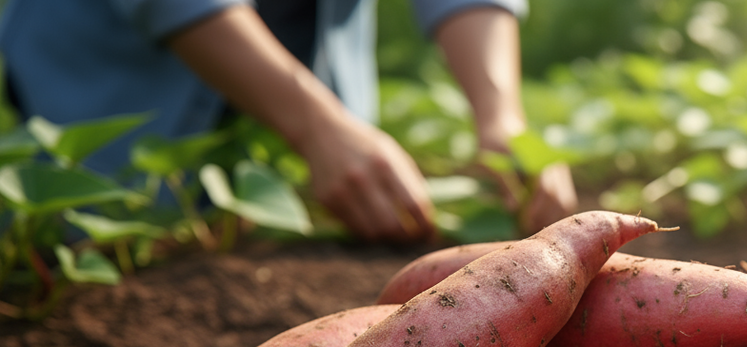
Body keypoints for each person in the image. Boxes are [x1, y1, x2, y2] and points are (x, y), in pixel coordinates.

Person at [0, 0, 578, 241]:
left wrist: (501, 117)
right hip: (124, 95)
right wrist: (316, 125)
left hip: (314, 130)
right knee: (107, 235)